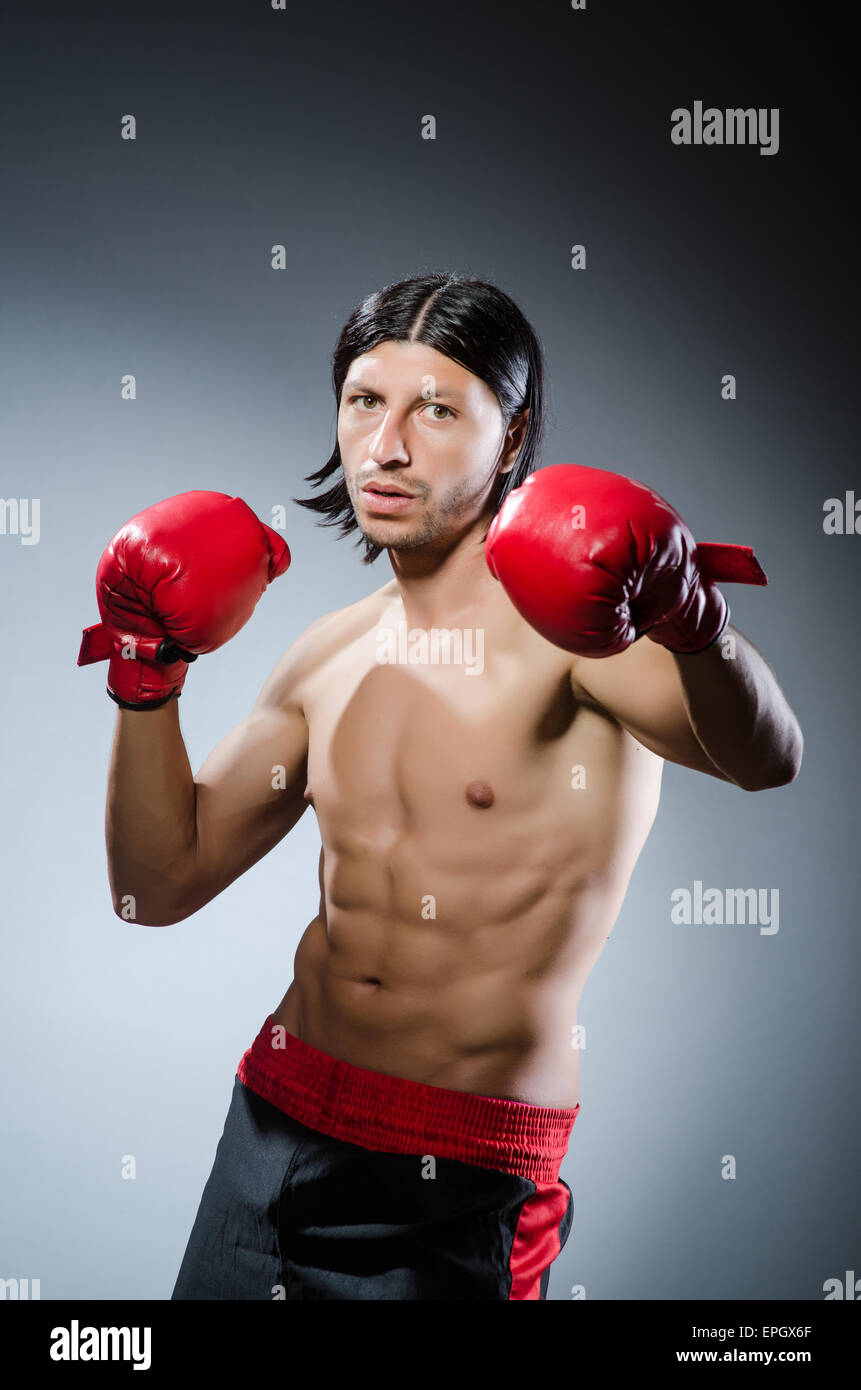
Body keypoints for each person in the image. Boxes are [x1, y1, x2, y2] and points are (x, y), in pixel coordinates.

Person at [79, 272, 803, 1300]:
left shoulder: (578, 640)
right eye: (366, 400)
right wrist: (145, 672)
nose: (387, 443)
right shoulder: (327, 655)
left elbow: (769, 758)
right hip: (273, 1128)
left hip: (458, 1174)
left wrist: (694, 620)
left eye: (438, 409)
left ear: (510, 440)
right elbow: (154, 886)